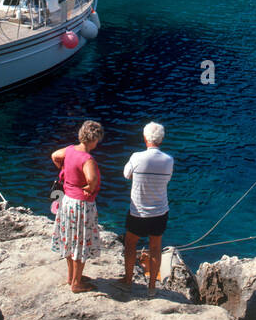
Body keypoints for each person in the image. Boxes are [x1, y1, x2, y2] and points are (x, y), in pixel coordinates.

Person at [117, 122, 174, 295]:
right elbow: (167, 180)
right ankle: (151, 288)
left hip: (138, 211)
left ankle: (128, 281)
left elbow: (126, 175)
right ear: (161, 139)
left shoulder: (136, 157)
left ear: (145, 138)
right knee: (156, 247)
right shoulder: (169, 160)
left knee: (130, 244)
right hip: (160, 211)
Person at [50, 120, 103, 292]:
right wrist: (89, 187)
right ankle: (77, 283)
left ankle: (71, 277)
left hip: (66, 202)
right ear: (94, 140)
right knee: (81, 243)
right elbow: (92, 179)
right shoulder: (88, 159)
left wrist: (64, 168)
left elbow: (55, 156)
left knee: (69, 239)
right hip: (81, 206)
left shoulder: (70, 150)